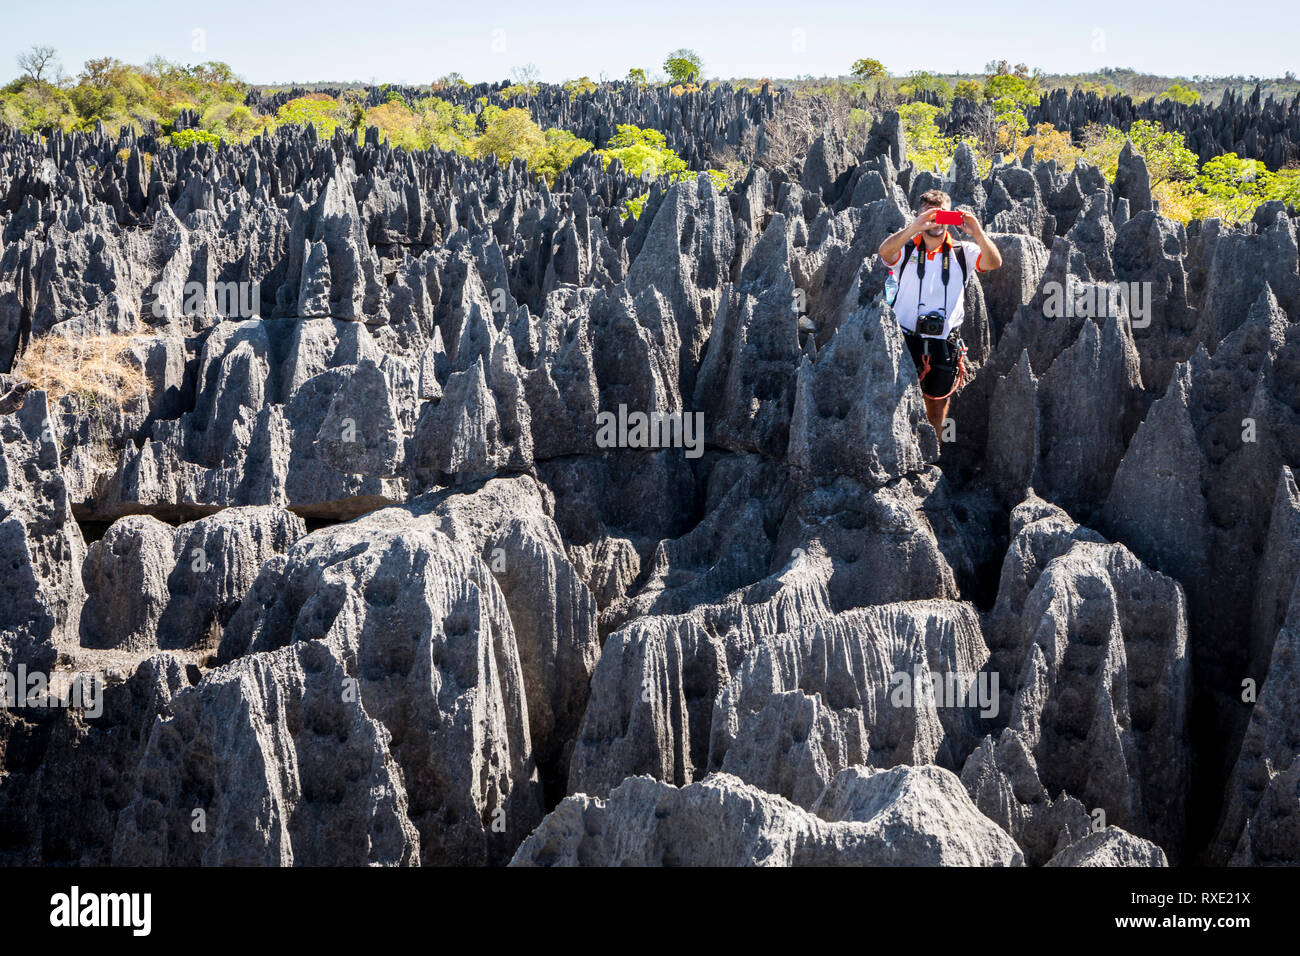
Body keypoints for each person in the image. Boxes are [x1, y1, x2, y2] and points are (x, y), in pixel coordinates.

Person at [877, 189, 1002, 437]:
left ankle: (930, 457)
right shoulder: (907, 249)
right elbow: (885, 252)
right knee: (893, 401)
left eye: (943, 214)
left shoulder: (962, 252)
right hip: (904, 339)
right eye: (931, 215)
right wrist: (914, 228)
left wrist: (977, 232)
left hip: (944, 341)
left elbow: (994, 262)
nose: (937, 221)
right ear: (919, 216)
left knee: (936, 407)